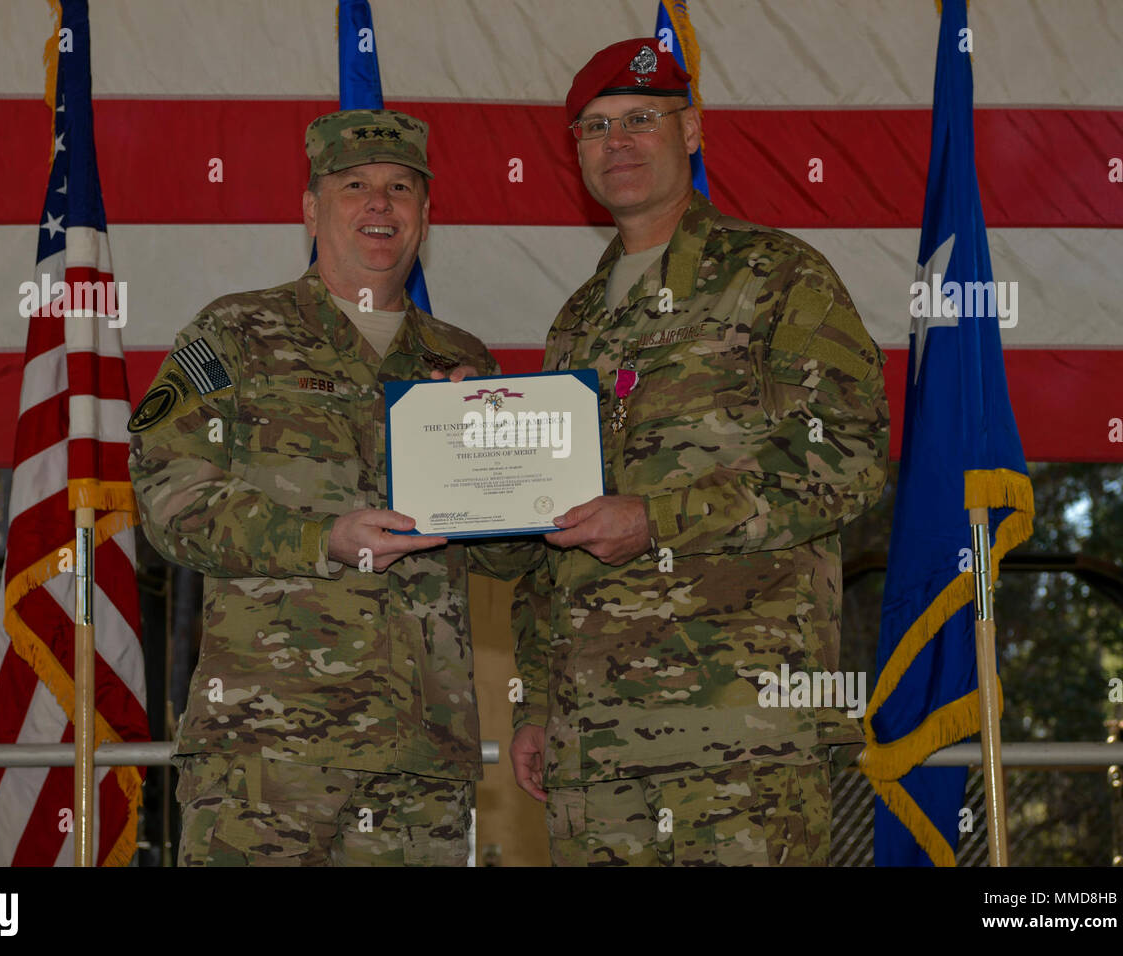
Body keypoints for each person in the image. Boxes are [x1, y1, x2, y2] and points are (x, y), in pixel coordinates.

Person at [508, 38, 891, 866]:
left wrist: (660, 518)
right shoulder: (575, 323)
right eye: (595, 127)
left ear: (691, 131)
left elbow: (849, 458)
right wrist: (535, 700)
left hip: (739, 731)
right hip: (593, 740)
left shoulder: (779, 277)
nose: (618, 143)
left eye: (641, 119)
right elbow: (551, 527)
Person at [129, 108, 527, 866]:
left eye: (401, 187)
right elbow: (168, 499)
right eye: (354, 186)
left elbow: (509, 559)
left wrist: (497, 457)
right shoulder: (234, 334)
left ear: (425, 216)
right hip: (269, 761)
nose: (380, 204)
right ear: (311, 209)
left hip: (422, 764)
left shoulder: (463, 362)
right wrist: (322, 540)